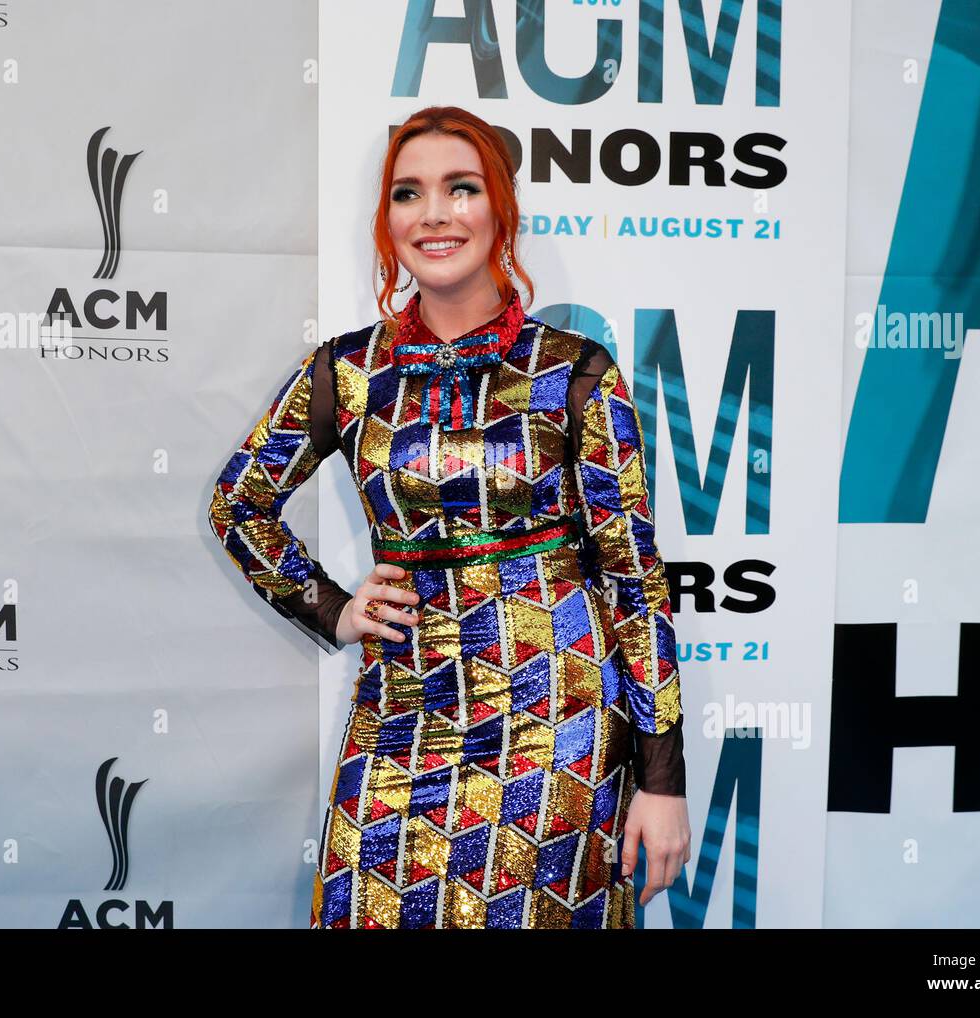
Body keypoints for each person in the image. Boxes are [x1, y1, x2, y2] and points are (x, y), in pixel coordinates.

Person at [208, 105, 690, 929]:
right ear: (386, 219)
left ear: (500, 209)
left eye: (460, 189)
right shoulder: (350, 372)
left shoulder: (572, 373)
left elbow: (634, 584)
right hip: (402, 716)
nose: (432, 214)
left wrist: (662, 782)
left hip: (556, 729)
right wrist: (334, 608)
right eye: (408, 193)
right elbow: (239, 503)